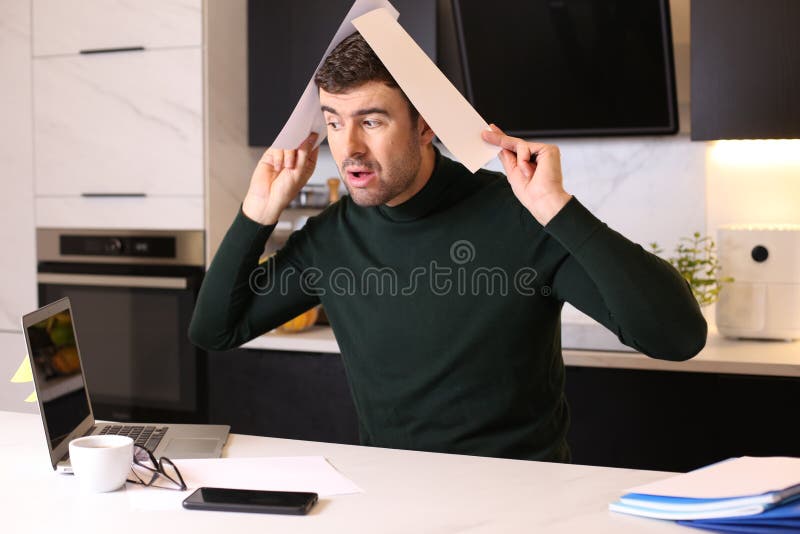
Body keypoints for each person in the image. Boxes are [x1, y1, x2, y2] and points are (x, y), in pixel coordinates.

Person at [189, 32, 706, 462]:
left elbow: (676, 336)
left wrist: (558, 209)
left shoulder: (520, 217)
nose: (347, 149)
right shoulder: (332, 237)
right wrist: (257, 211)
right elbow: (215, 330)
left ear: (425, 124)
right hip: (397, 499)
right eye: (333, 122)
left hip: (523, 505)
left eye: (371, 121)